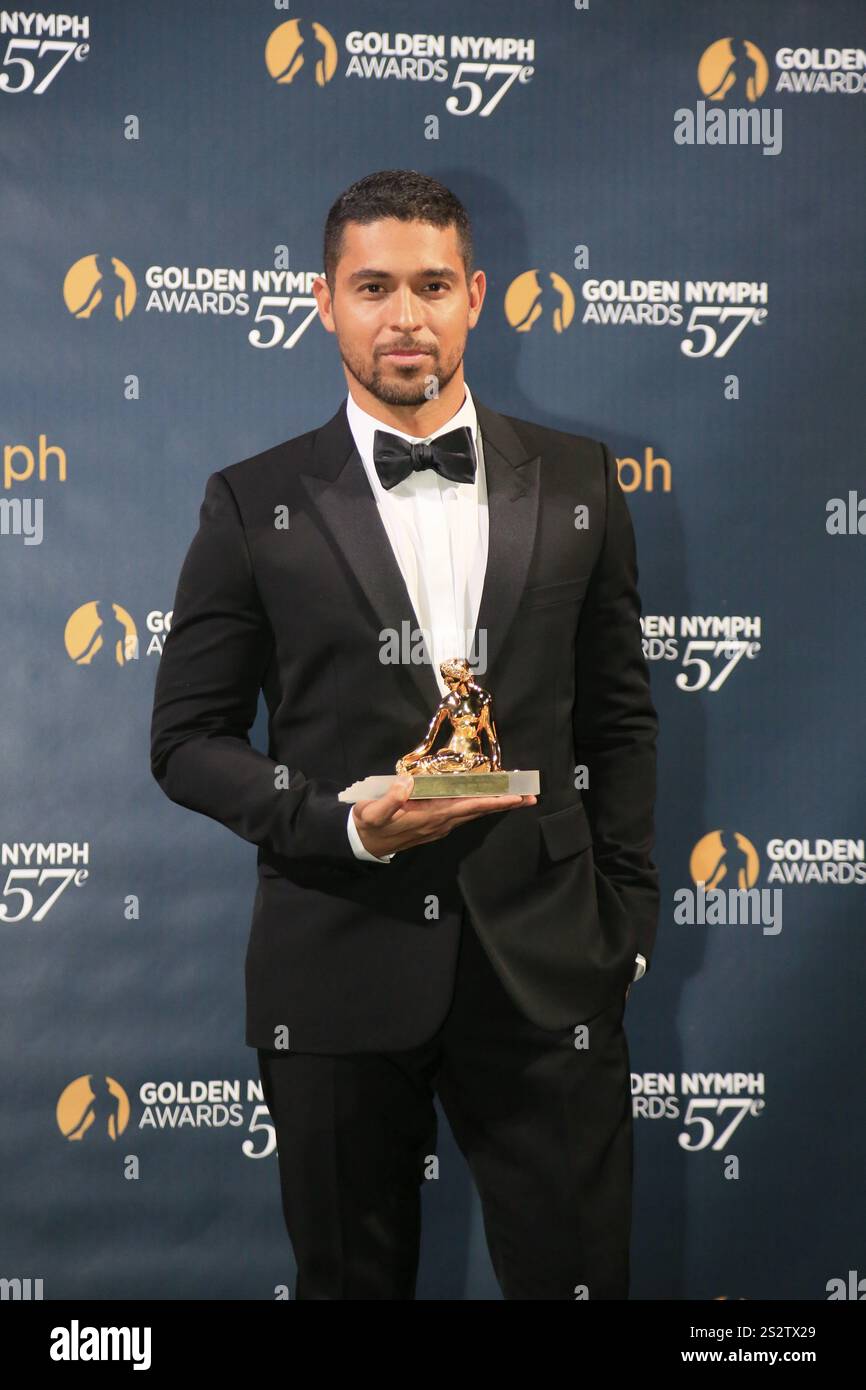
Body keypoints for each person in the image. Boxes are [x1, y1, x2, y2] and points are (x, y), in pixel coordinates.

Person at [150, 168, 659, 1300]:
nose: (404, 315)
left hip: (547, 969)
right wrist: (344, 826)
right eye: (371, 285)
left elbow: (619, 718)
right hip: (333, 965)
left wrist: (622, 922)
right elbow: (186, 738)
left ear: (476, 296)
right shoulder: (252, 501)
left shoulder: (578, 481)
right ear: (323, 302)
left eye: (431, 284)